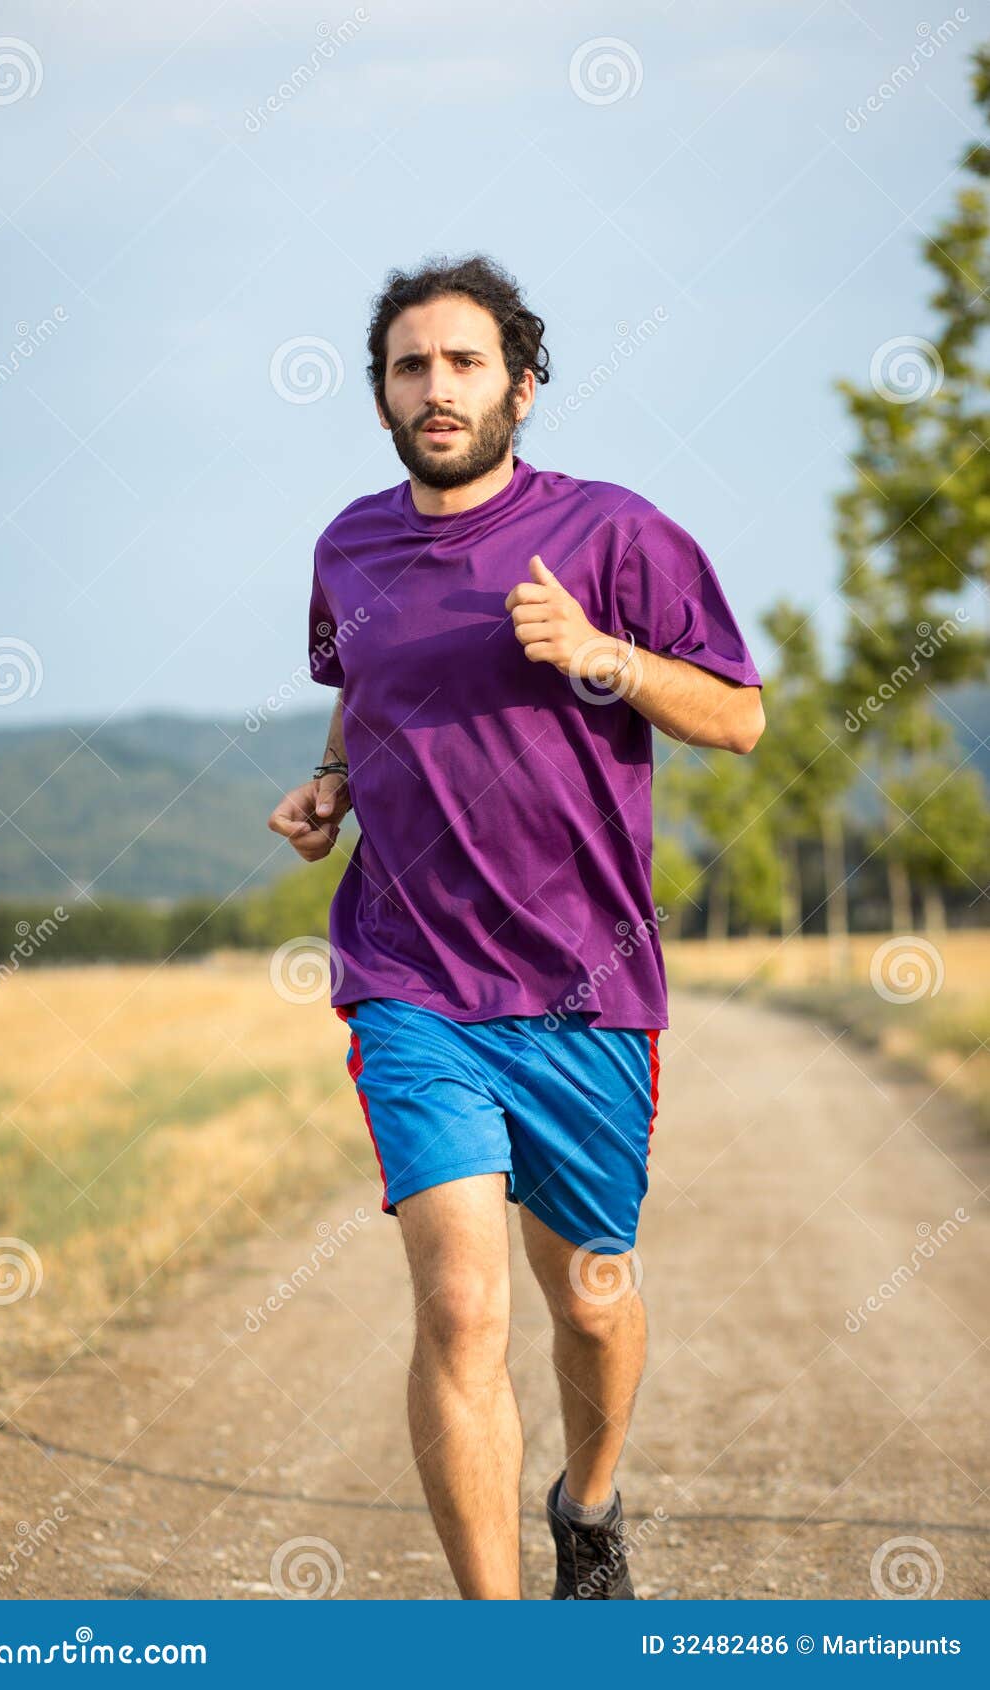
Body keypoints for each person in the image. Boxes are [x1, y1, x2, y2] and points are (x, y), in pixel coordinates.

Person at [268, 254, 764, 1600]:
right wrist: (334, 784)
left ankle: (589, 1508)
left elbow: (738, 713)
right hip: (410, 974)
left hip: (582, 988)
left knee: (591, 1302)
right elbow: (362, 687)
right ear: (381, 390)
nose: (436, 388)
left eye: (465, 362)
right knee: (460, 1306)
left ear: (523, 387)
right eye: (410, 365)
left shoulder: (614, 534)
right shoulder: (348, 544)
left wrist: (603, 652)